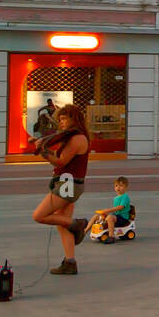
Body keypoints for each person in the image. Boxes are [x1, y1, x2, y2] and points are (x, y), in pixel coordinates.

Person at [31, 103, 91, 274]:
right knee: (62, 225)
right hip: (68, 183)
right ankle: (70, 262)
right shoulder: (72, 137)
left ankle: (78, 224)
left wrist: (43, 152)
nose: (62, 122)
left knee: (39, 215)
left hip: (68, 184)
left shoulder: (77, 138)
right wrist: (45, 149)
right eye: (60, 119)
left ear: (75, 119)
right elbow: (59, 158)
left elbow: (60, 161)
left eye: (65, 118)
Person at [90, 176, 133, 244]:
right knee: (97, 216)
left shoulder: (125, 197)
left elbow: (120, 207)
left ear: (126, 187)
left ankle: (111, 236)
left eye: (121, 186)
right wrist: (105, 212)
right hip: (117, 216)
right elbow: (116, 211)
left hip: (123, 218)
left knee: (110, 217)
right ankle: (85, 230)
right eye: (116, 186)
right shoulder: (116, 198)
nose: (118, 187)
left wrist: (108, 210)